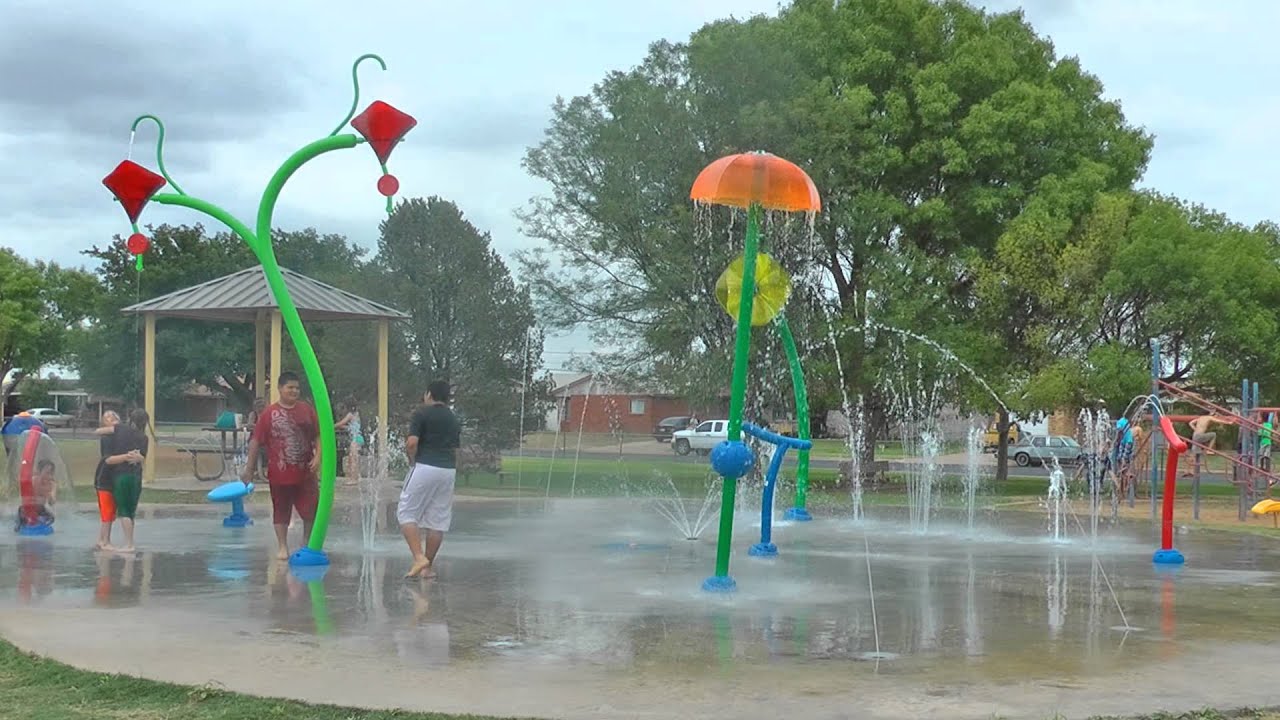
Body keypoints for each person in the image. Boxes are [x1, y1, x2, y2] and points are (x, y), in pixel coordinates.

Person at [242, 371, 320, 560]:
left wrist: (319, 456)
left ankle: (307, 542)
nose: (294, 391)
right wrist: (249, 469)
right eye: (290, 387)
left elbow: (319, 434)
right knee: (281, 510)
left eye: (297, 388)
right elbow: (255, 441)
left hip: (305, 472)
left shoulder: (307, 410)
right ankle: (283, 547)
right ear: (280, 389)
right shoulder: (269, 414)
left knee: (311, 509)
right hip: (279, 473)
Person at [399, 380, 461, 579]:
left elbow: (412, 442)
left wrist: (411, 459)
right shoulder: (453, 418)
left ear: (429, 394)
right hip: (448, 470)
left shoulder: (421, 413)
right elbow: (455, 449)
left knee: (406, 513)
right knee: (437, 521)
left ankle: (418, 557)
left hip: (425, 466)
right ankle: (427, 568)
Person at [104, 409, 149, 552]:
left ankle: (129, 544)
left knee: (124, 511)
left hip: (121, 475)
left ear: (130, 419)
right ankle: (130, 541)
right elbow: (142, 458)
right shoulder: (144, 437)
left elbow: (103, 432)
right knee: (131, 511)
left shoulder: (121, 431)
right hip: (136, 477)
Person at [93, 411, 121, 550]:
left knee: (111, 511)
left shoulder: (120, 436)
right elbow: (108, 459)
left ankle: (101, 539)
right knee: (107, 510)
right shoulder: (107, 438)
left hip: (113, 476)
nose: (112, 417)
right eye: (107, 417)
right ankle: (106, 541)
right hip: (104, 477)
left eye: (114, 415)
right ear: (104, 423)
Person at [14, 459, 57, 532]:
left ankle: (40, 525)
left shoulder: (52, 485)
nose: (49, 476)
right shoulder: (33, 481)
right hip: (27, 508)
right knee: (21, 519)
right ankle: (19, 526)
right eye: (46, 473)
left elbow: (51, 503)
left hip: (41, 509)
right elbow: (24, 491)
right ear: (39, 472)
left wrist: (50, 496)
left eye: (51, 473)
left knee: (51, 518)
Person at [334, 400, 364, 486]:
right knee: (353, 458)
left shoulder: (350, 415)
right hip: (359, 438)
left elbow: (341, 423)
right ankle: (356, 477)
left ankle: (353, 479)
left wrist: (330, 426)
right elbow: (350, 427)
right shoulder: (356, 414)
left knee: (353, 459)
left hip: (355, 439)